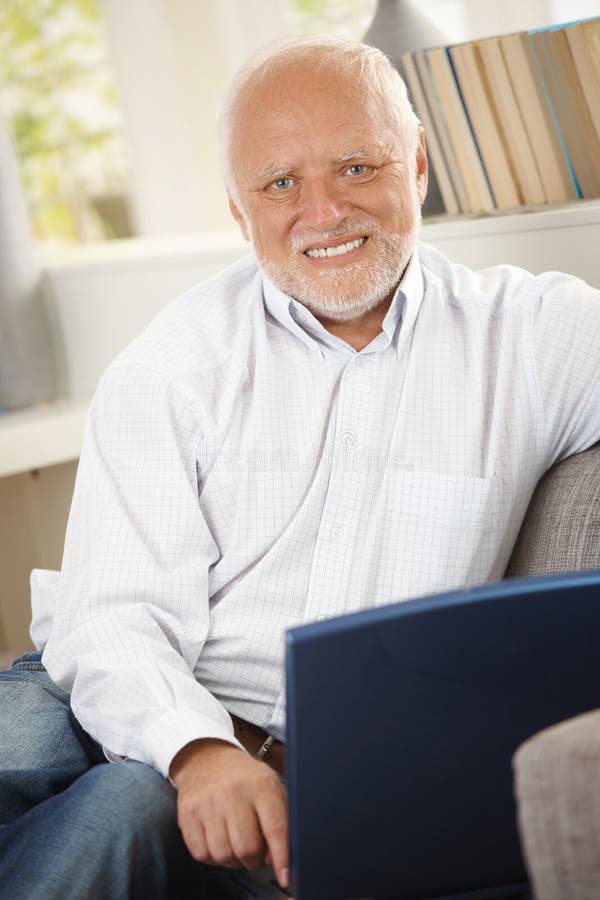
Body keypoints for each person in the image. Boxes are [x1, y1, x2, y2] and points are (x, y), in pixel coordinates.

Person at [1, 33, 599, 900]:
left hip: (287, 781)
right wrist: (200, 751)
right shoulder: (172, 364)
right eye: (280, 183)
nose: (323, 212)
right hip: (108, 688)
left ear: (419, 165)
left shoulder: (536, 337)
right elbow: (113, 619)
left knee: (119, 813)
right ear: (241, 212)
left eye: (357, 167)